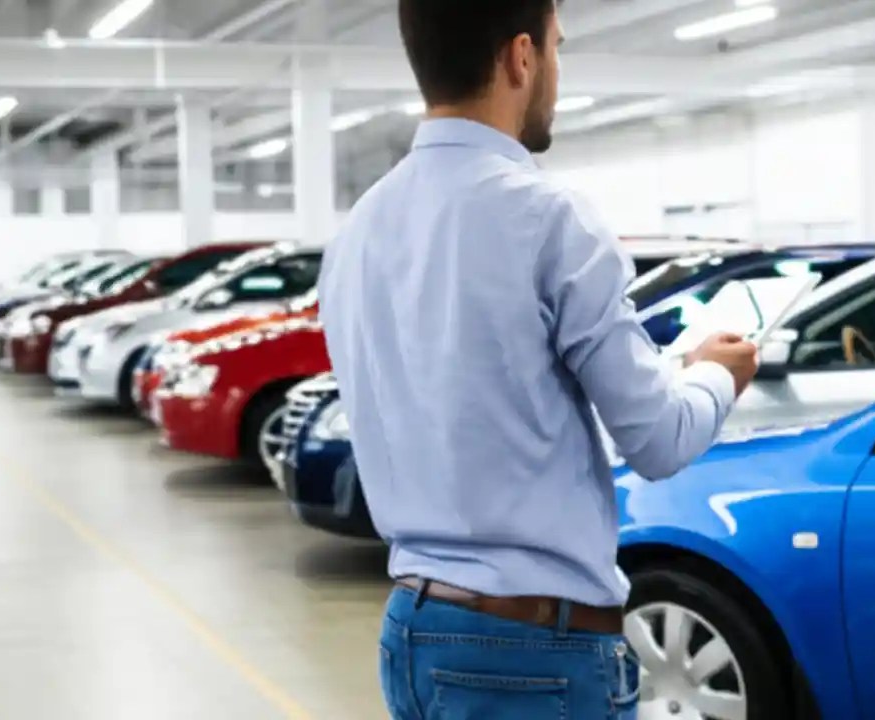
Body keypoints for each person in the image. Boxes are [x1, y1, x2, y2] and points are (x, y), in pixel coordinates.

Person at [317, 1, 761, 717]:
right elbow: (660, 439)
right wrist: (717, 372)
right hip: (532, 655)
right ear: (520, 57)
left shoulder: (357, 232)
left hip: (413, 633)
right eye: (556, 47)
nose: (555, 67)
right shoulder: (550, 219)